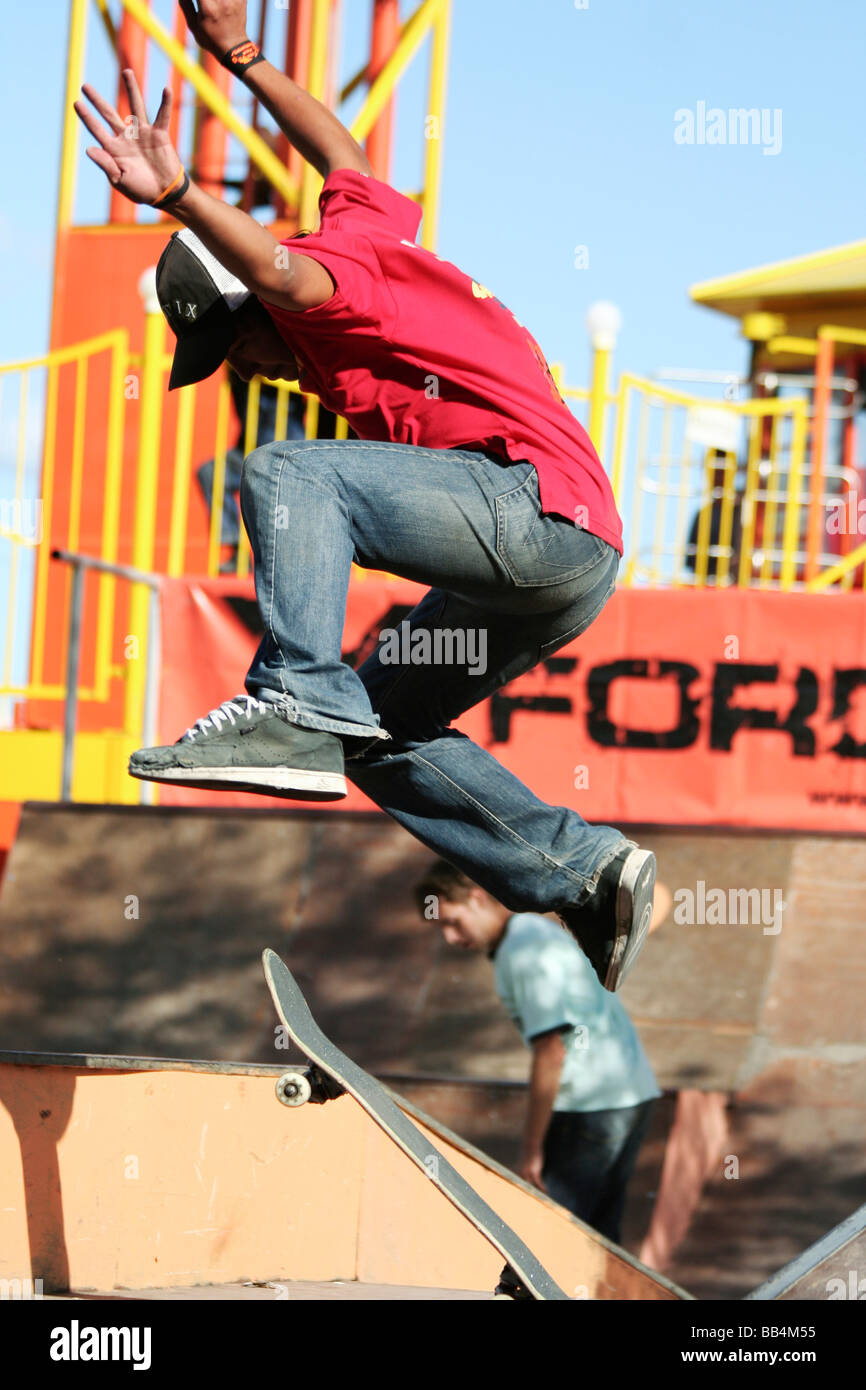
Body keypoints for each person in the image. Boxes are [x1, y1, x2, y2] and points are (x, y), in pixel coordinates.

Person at [73, 0, 656, 993]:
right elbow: (343, 152)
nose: (251, 367)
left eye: (237, 344)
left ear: (254, 311)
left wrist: (178, 194)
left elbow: (273, 267)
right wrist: (244, 57)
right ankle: (583, 871)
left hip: (531, 511)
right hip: (561, 561)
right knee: (379, 731)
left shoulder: (323, 290)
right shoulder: (366, 229)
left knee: (291, 467)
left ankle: (293, 700)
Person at [414, 861, 660, 1244]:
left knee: (549, 1239)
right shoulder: (531, 934)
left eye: (453, 922)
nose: (449, 938)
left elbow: (551, 1051)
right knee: (598, 1239)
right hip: (629, 1094)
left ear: (478, 899)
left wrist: (532, 1150)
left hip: (591, 1109)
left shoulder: (525, 951)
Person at [196, 368, 305, 570]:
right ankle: (237, 553)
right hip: (249, 452)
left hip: (286, 453)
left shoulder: (279, 369)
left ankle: (288, 561)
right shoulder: (239, 374)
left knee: (276, 487)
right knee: (211, 472)